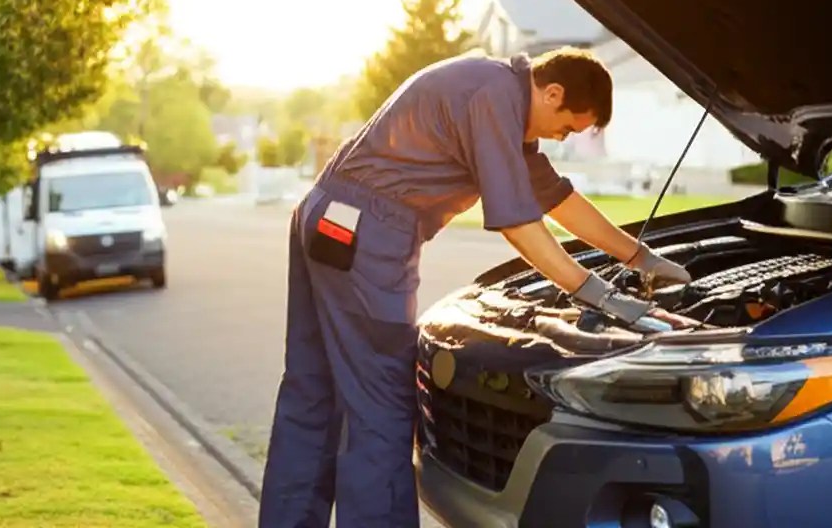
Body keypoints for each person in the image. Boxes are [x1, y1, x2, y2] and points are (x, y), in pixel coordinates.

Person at [258, 47, 694, 528]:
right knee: (381, 408)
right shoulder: (493, 98)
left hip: (327, 216)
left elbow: (557, 198)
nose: (562, 138)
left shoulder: (494, 92)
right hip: (365, 235)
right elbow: (520, 225)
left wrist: (640, 257)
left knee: (311, 392)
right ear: (552, 94)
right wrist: (603, 296)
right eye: (567, 127)